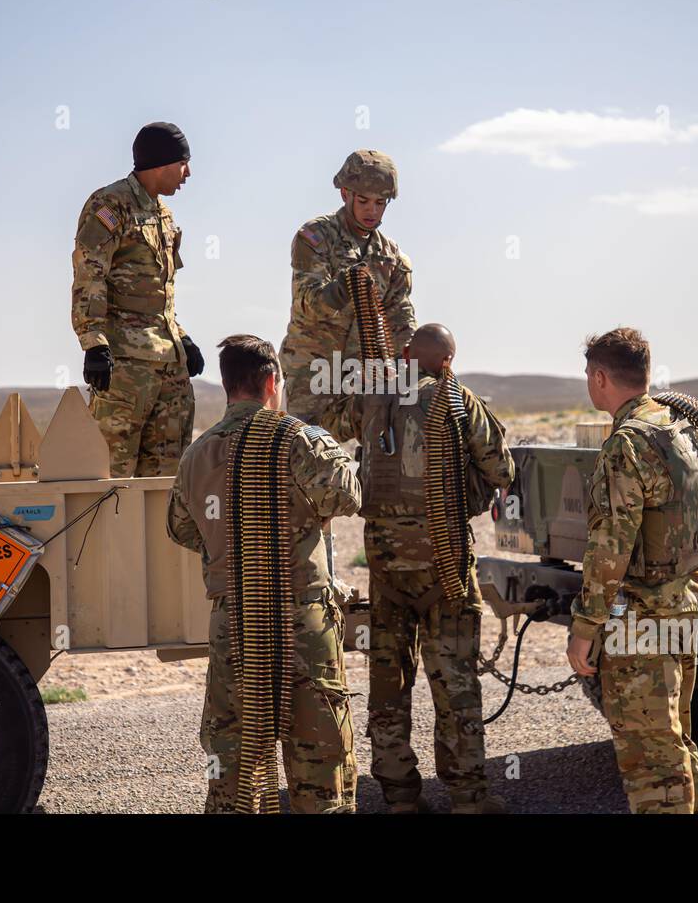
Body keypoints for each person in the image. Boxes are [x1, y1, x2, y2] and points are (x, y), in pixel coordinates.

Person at [166, 334, 361, 813]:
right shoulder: (298, 439)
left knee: (233, 758)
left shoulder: (197, 455)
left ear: (226, 386)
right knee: (320, 761)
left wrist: (230, 546)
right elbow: (349, 496)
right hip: (301, 623)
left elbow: (180, 528)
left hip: (234, 624)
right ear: (272, 381)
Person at [565, 327, 698, 814]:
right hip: (691, 601)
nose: (589, 382)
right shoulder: (692, 423)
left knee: (649, 753)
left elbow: (610, 550)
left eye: (589, 374)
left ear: (601, 377)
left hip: (645, 613)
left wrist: (584, 628)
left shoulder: (626, 444)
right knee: (673, 731)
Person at [339, 323, 514, 813]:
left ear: (406, 353)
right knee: (455, 684)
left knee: (387, 686)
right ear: (447, 362)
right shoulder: (457, 400)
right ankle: (468, 797)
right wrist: (465, 497)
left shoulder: (372, 397)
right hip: (445, 567)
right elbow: (501, 469)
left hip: (384, 568)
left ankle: (398, 798)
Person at [72, 121, 206, 477]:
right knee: (110, 478)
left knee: (166, 480)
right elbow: (90, 273)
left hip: (168, 366)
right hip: (126, 368)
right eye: (183, 164)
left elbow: (162, 292)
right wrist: (93, 343)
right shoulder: (111, 205)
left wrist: (181, 337)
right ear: (161, 163)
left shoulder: (164, 216)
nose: (188, 173)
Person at [279, 149, 417, 442]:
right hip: (314, 370)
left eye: (381, 203)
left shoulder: (392, 257)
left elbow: (401, 321)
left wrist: (411, 366)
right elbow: (308, 303)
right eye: (364, 201)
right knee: (308, 452)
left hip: (364, 376)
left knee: (379, 451)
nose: (373, 211)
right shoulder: (315, 237)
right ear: (345, 194)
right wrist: (342, 287)